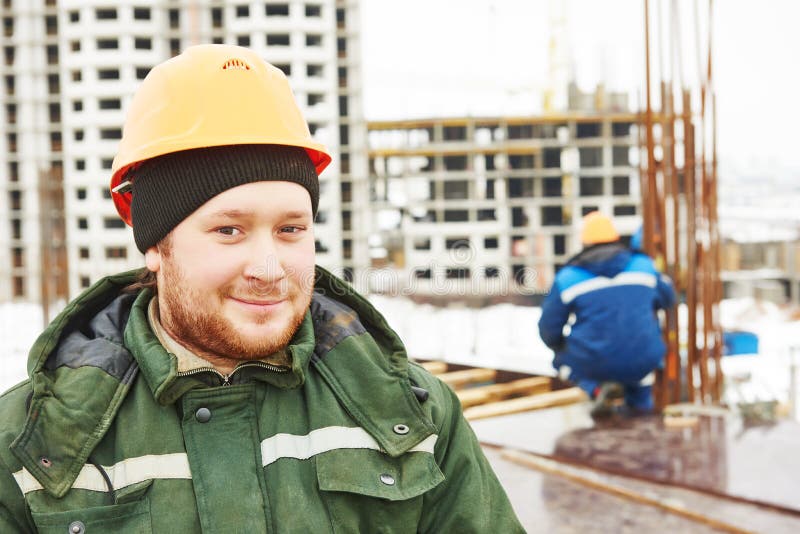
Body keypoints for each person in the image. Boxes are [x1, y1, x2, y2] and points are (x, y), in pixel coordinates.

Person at [0, 45, 524, 533]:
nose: (270, 268)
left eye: (290, 229)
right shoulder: (30, 441)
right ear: (156, 244)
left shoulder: (412, 413)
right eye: (229, 230)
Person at [538, 211, 676, 417]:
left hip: (594, 362)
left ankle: (595, 389)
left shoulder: (567, 278)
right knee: (641, 365)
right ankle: (641, 409)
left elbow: (548, 328)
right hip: (643, 359)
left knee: (559, 361)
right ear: (615, 238)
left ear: (584, 243)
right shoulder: (643, 266)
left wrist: (561, 346)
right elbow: (668, 298)